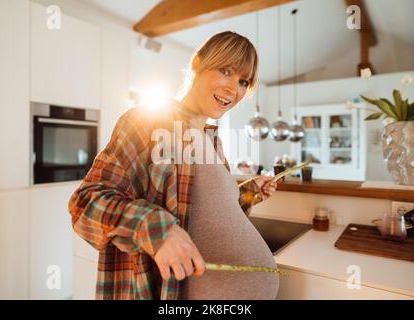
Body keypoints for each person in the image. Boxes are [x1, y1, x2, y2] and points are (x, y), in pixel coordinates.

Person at [68, 31, 279, 300]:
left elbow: (208, 216)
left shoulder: (213, 141)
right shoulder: (149, 120)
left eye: (243, 81)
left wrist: (251, 192)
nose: (233, 90)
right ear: (197, 64)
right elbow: (85, 203)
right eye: (225, 71)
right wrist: (157, 230)